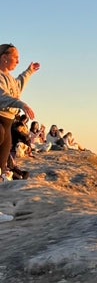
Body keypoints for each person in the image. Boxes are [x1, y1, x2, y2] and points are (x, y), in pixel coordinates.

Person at [0, 43, 40, 181]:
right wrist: (21, 104)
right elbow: (2, 97)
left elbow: (18, 87)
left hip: (8, 123)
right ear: (4, 57)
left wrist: (29, 72)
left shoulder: (9, 78)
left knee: (1, 164)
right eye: (15, 57)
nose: (18, 61)